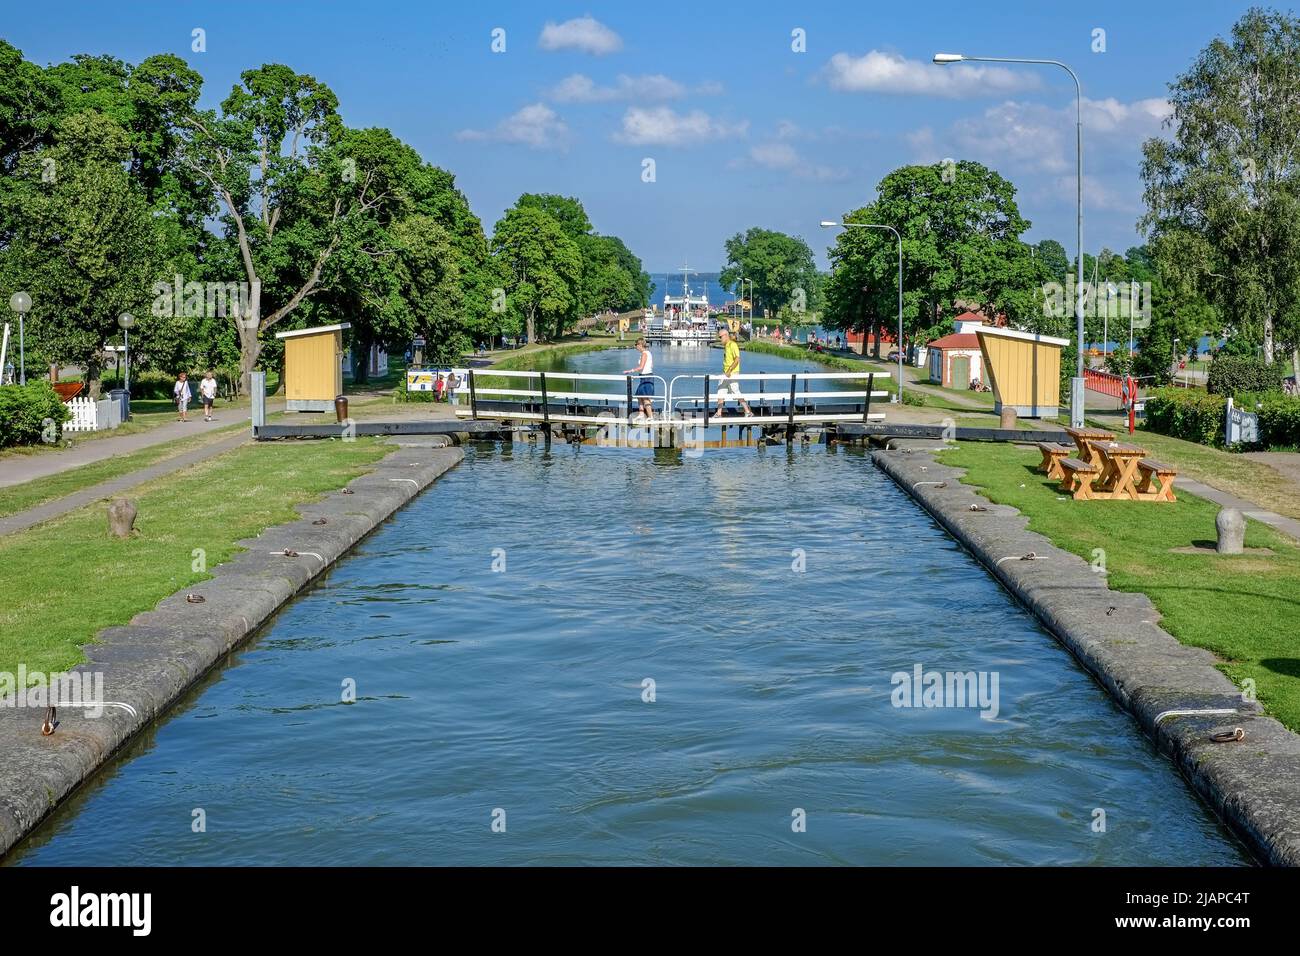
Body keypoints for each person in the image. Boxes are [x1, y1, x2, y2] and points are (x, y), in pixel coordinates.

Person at [715, 327, 754, 418]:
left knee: (735, 391)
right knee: (721, 391)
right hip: (725, 373)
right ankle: (719, 413)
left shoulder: (733, 345)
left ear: (725, 335)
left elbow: (737, 359)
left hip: (732, 373)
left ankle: (748, 411)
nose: (720, 339)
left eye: (720, 337)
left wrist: (729, 370)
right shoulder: (727, 345)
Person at [622, 338, 655, 421]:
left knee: (645, 397)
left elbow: (641, 367)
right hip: (644, 376)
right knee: (639, 396)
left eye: (636, 345)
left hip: (646, 377)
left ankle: (650, 416)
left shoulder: (644, 354)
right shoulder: (648, 353)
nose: (635, 347)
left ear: (640, 345)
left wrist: (630, 371)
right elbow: (651, 365)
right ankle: (641, 414)